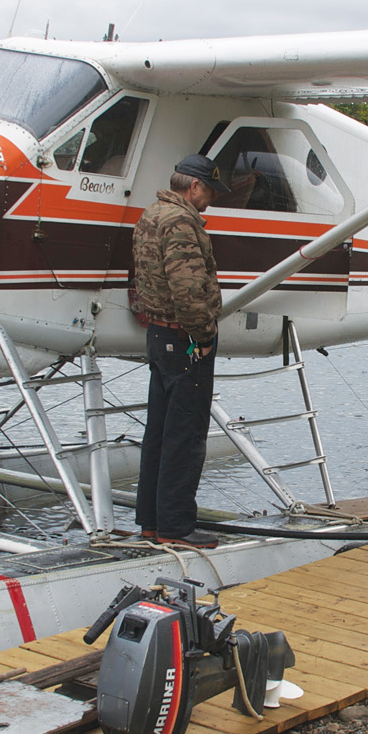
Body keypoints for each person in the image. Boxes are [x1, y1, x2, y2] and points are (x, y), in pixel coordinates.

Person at [131, 154, 231, 548]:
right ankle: (176, 528)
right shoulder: (181, 221)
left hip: (159, 335)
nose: (210, 199)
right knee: (185, 437)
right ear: (193, 187)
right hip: (185, 338)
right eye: (208, 191)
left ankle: (151, 522)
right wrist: (204, 336)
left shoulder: (151, 214)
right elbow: (187, 288)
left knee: (157, 432)